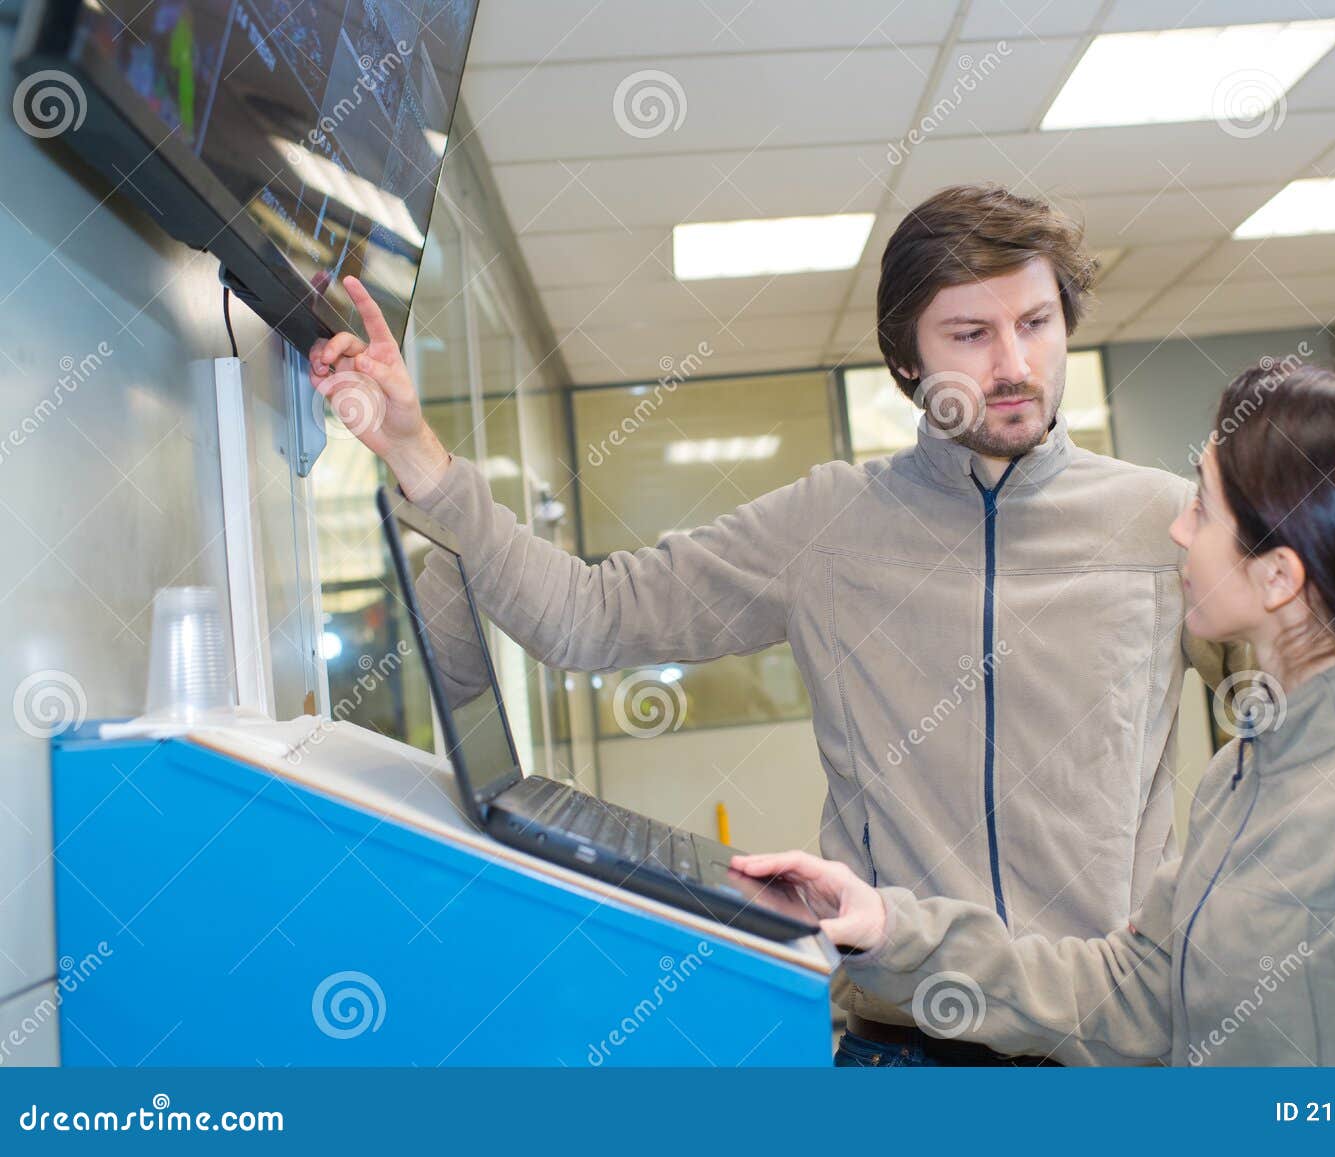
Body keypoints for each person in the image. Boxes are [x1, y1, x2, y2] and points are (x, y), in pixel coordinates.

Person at [308, 184, 1234, 1066]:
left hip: (1116, 1051)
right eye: (970, 333)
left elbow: (1293, 721)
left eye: (1036, 323)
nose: (1014, 365)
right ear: (907, 361)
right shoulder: (829, 525)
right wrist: (413, 449)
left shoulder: (1165, 524)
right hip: (903, 1052)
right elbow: (587, 616)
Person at [734, 364, 1335, 1066]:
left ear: (1278, 576)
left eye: (1202, 507)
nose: (1179, 531)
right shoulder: (1245, 776)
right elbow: (1138, 995)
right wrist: (888, 928)